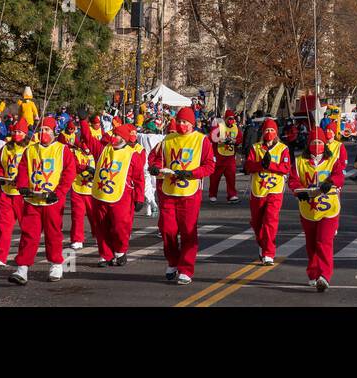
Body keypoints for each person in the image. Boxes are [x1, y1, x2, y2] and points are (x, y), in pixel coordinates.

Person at [148, 106, 216, 286]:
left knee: (187, 231)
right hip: (169, 191)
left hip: (190, 193)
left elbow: (210, 166)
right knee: (167, 229)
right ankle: (172, 262)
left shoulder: (202, 140)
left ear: (192, 123)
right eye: (178, 121)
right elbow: (154, 157)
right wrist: (155, 167)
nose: (181, 124)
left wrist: (191, 173)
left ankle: (186, 269)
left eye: (184, 122)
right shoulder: (168, 139)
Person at [9, 116, 75, 285]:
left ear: (54, 132)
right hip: (32, 199)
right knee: (28, 235)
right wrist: (22, 185)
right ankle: (22, 269)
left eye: (46, 130)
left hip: (52, 200)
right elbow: (23, 169)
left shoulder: (62, 150)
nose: (43, 133)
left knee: (53, 234)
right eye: (41, 130)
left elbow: (69, 173)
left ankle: (56, 264)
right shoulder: (30, 150)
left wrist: (59, 192)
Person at [289, 127, 345, 291]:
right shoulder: (300, 161)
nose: (317, 144)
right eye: (314, 142)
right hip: (308, 208)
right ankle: (313, 273)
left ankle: (324, 275)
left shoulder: (332, 159)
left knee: (324, 241)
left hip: (329, 208)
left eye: (320, 142)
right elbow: (293, 180)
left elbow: (339, 176)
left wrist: (331, 181)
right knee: (311, 243)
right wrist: (299, 192)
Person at [84, 121, 146, 266]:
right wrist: (84, 121)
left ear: (124, 139)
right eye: (114, 134)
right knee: (101, 227)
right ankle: (105, 255)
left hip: (122, 196)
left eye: (117, 135)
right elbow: (88, 139)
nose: (114, 138)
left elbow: (139, 179)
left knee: (120, 226)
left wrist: (139, 198)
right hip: (101, 195)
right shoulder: (103, 149)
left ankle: (120, 251)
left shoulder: (133, 155)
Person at [243, 118, 291, 265]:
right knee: (257, 223)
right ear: (262, 132)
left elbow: (285, 168)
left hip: (275, 190)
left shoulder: (283, 148)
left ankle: (269, 252)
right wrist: (259, 165)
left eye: (272, 130)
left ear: (276, 132)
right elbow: (248, 166)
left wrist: (270, 165)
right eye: (267, 130)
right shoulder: (255, 147)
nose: (269, 133)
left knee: (270, 220)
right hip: (258, 190)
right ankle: (263, 244)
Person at [0, 119, 29, 267]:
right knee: (2, 226)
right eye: (14, 132)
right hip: (6, 192)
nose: (16, 134)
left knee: (27, 228)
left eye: (19, 132)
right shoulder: (6, 148)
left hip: (24, 195)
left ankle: (24, 257)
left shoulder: (31, 148)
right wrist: (0, 176)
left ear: (25, 134)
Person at [65, 121, 96, 250]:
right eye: (81, 140)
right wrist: (86, 167)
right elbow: (74, 165)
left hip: (94, 190)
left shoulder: (97, 151)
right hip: (77, 187)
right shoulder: (74, 152)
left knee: (95, 216)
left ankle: (99, 235)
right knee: (77, 215)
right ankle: (77, 239)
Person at [209, 109, 241, 203]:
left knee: (231, 177)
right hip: (219, 156)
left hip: (230, 156)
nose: (231, 120)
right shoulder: (219, 126)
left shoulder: (235, 127)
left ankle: (232, 195)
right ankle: (212, 195)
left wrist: (235, 141)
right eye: (229, 118)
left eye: (232, 118)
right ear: (225, 119)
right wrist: (221, 139)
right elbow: (212, 137)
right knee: (215, 177)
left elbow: (240, 138)